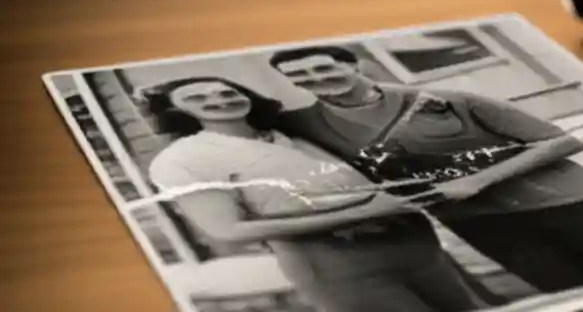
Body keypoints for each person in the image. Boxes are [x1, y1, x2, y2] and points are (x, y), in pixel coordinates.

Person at [268, 45, 583, 293]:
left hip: (579, 202)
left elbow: (563, 140)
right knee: (581, 294)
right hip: (486, 225)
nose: (315, 81)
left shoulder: (447, 99)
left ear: (354, 64)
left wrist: (479, 179)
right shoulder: (308, 123)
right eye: (301, 78)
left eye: (323, 69)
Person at [141, 76, 489, 312]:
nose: (218, 98)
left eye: (227, 91)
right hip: (337, 262)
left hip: (417, 246)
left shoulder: (292, 131)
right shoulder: (183, 158)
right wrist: (363, 212)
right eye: (197, 97)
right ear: (175, 112)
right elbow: (226, 230)